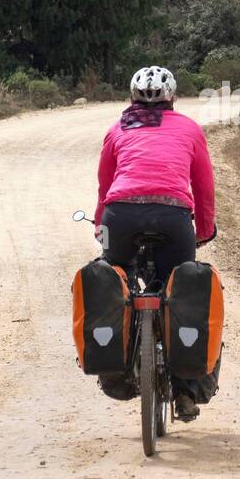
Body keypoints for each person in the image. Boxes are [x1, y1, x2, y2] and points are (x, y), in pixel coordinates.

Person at [93, 65, 218, 420]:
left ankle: (117, 367)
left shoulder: (117, 129)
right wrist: (204, 229)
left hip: (121, 216)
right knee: (183, 292)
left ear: (131, 98)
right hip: (174, 218)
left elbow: (106, 186)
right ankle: (186, 391)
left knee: (117, 279)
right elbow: (204, 186)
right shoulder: (191, 129)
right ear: (173, 98)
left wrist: (103, 225)